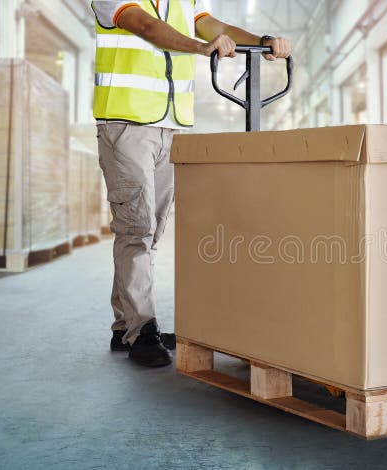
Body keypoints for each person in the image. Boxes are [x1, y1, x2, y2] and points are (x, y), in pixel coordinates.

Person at [91, 1, 291, 367]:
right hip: (126, 123)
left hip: (171, 124)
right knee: (136, 228)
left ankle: (125, 327)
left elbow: (211, 25)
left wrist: (262, 43)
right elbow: (147, 28)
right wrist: (202, 49)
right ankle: (142, 329)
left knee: (150, 231)